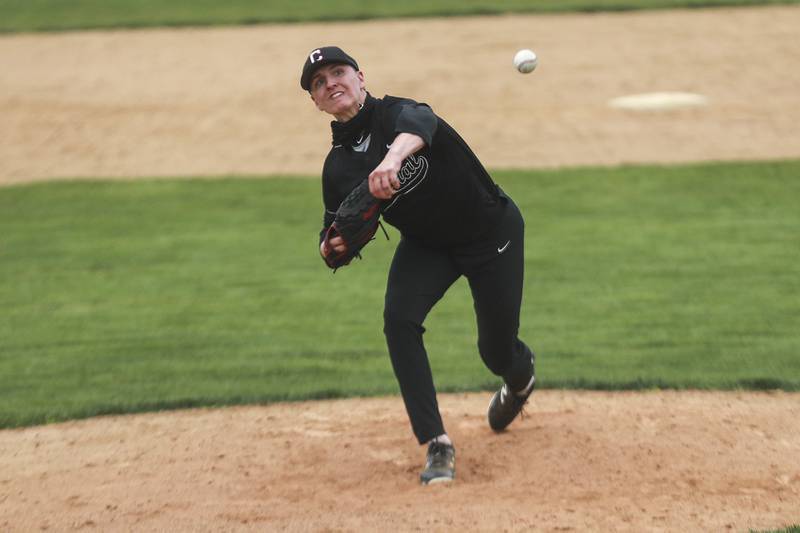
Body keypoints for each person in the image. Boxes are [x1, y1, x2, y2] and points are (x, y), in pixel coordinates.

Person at [301, 46, 537, 485]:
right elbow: (331, 237)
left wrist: (392, 159)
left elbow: (421, 125)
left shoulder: (398, 114)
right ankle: (436, 443)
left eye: (338, 72)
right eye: (319, 82)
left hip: (491, 231)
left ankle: (521, 378)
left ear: (360, 77)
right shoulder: (337, 169)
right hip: (428, 246)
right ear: (316, 102)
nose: (331, 82)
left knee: (495, 350)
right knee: (398, 320)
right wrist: (331, 248)